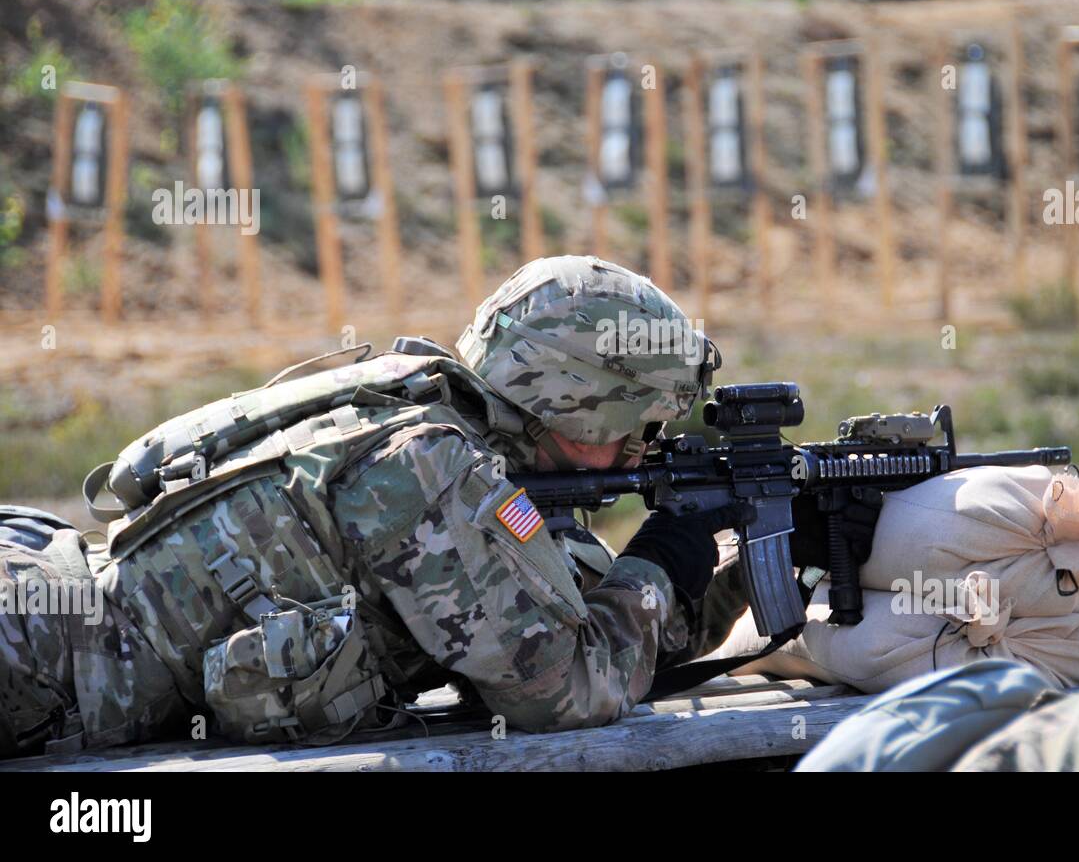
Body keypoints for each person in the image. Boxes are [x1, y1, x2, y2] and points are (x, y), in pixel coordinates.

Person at [0, 256, 760, 756]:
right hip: (36, 660)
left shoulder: (422, 401)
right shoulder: (432, 467)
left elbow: (558, 620)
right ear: (580, 403)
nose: (645, 447)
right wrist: (658, 566)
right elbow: (560, 690)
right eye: (641, 424)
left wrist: (747, 571)